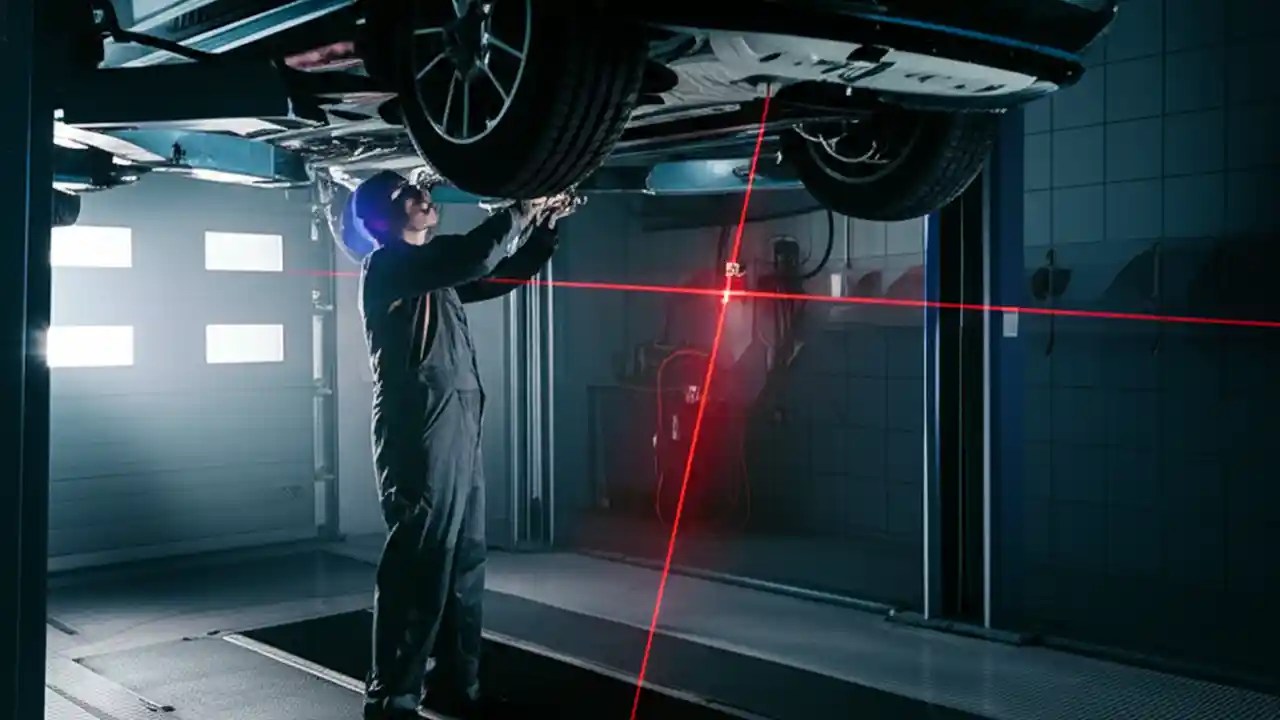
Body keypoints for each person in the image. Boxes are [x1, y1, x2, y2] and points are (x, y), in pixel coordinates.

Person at [352, 170, 570, 719]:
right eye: (409, 194)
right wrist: (520, 207)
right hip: (420, 425)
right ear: (384, 215)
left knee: (463, 560)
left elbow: (491, 277)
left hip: (458, 420)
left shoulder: (431, 274)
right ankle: (393, 699)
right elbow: (474, 256)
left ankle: (454, 687)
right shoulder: (389, 266)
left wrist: (543, 230)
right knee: (421, 558)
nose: (425, 196)